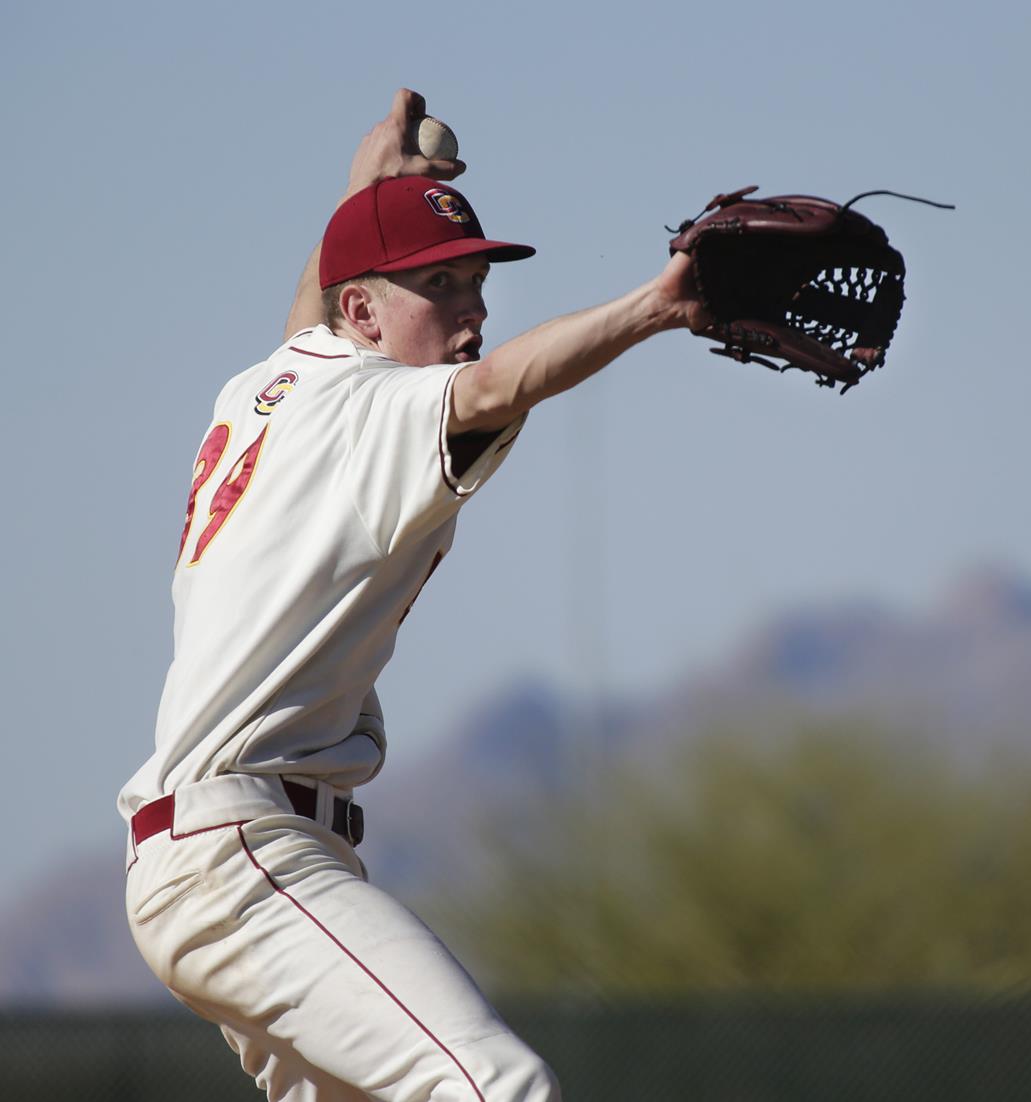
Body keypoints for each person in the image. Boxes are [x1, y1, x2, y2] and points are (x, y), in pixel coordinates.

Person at [118, 88, 706, 1101]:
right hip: (243, 852)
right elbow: (492, 389)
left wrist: (363, 191)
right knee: (498, 1086)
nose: (473, 309)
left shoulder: (272, 386)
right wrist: (661, 303)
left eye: (477, 282)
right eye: (441, 285)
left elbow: (315, 306)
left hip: (215, 856)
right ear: (366, 311)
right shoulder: (382, 412)